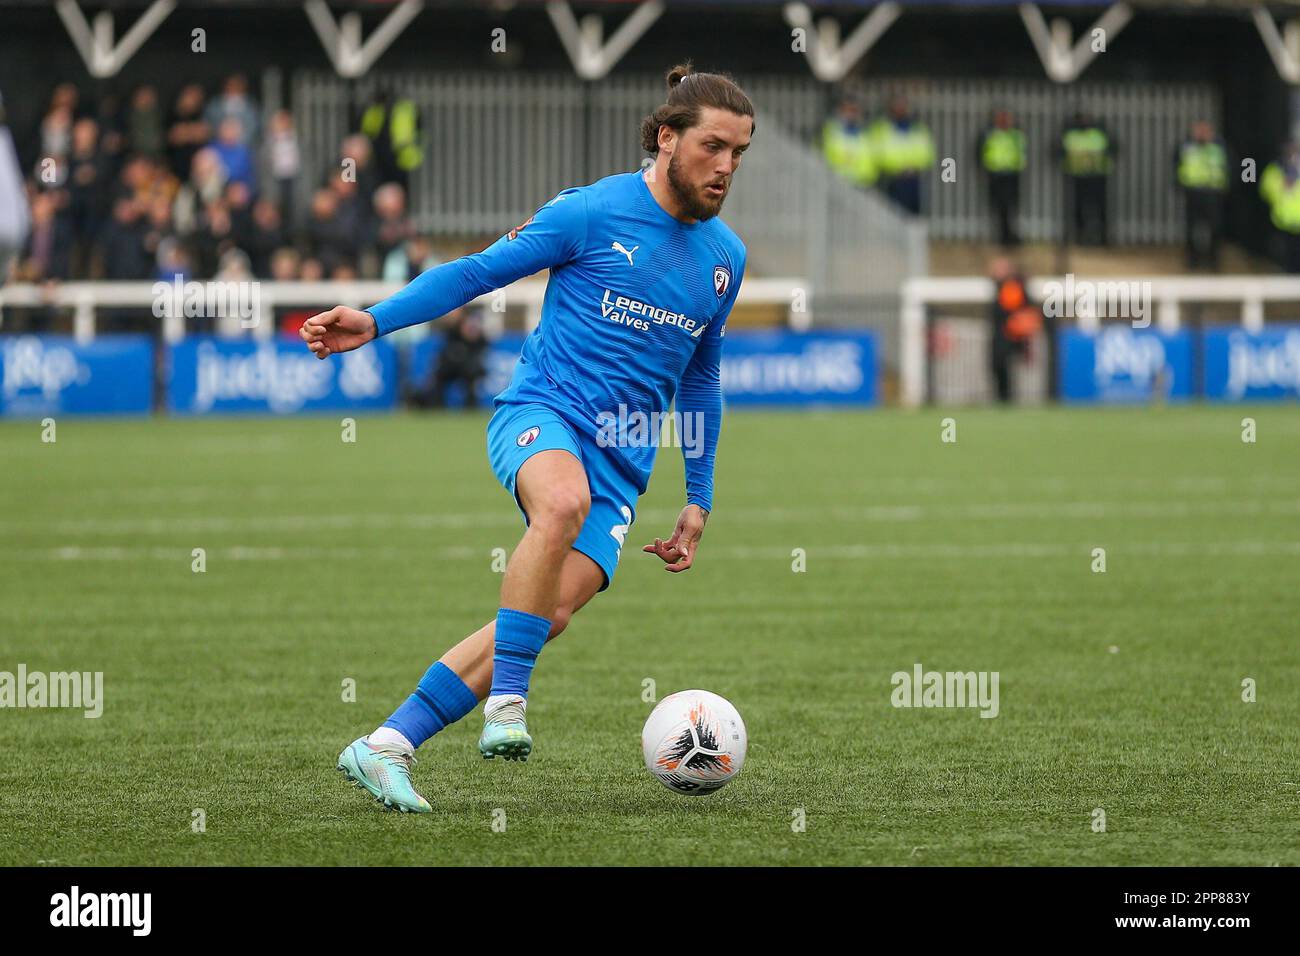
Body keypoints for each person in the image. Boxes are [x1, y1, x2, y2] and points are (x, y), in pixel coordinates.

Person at [301, 64, 751, 813]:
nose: (727, 167)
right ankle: (507, 701)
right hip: (541, 413)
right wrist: (377, 320)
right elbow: (476, 274)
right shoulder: (590, 212)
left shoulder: (725, 259)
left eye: (740, 152)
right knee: (561, 502)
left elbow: (701, 376)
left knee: (553, 610)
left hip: (623, 461)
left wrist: (698, 497)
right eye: (713, 147)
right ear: (667, 138)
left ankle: (386, 745)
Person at [1175, 121, 1229, 270]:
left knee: (1215, 228)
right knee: (1191, 228)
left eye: (1205, 131)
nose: (1202, 134)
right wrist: (1179, 185)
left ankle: (1213, 260)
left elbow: (1236, 165)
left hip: (1213, 193)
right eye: (1199, 131)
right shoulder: (1186, 147)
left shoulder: (1220, 148)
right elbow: (1176, 165)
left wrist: (1233, 184)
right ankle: (1192, 260)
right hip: (1193, 193)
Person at [868, 94, 934, 215]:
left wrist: (913, 167)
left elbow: (927, 153)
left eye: (903, 106)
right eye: (897, 106)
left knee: (913, 215)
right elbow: (877, 154)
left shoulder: (918, 129)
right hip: (892, 179)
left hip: (913, 179)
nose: (901, 109)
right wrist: (896, 167)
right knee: (894, 215)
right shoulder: (881, 129)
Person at [1058, 111, 1116, 246]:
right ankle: (1080, 236)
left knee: (1101, 209)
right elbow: (1060, 151)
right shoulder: (1071, 136)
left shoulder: (1099, 135)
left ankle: (1103, 237)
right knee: (1078, 209)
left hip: (1098, 176)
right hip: (1078, 176)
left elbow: (1112, 149)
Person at [988, 256, 1041, 404]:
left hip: (1010, 336)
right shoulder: (1002, 286)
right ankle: (1003, 399)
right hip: (1003, 335)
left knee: (1005, 368)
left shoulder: (1013, 287)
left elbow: (1022, 313)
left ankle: (1006, 400)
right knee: (999, 368)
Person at [978, 109, 1026, 247]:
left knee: (1011, 206)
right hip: (996, 175)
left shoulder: (1016, 135)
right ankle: (1003, 237)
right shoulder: (990, 134)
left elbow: (1022, 152)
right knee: (999, 207)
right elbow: (980, 152)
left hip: (1012, 175)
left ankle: (1010, 235)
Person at [821, 96, 875, 191]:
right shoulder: (830, 131)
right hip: (837, 184)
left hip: (863, 185)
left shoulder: (865, 134)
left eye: (854, 110)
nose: (851, 114)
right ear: (839, 111)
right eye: (847, 110)